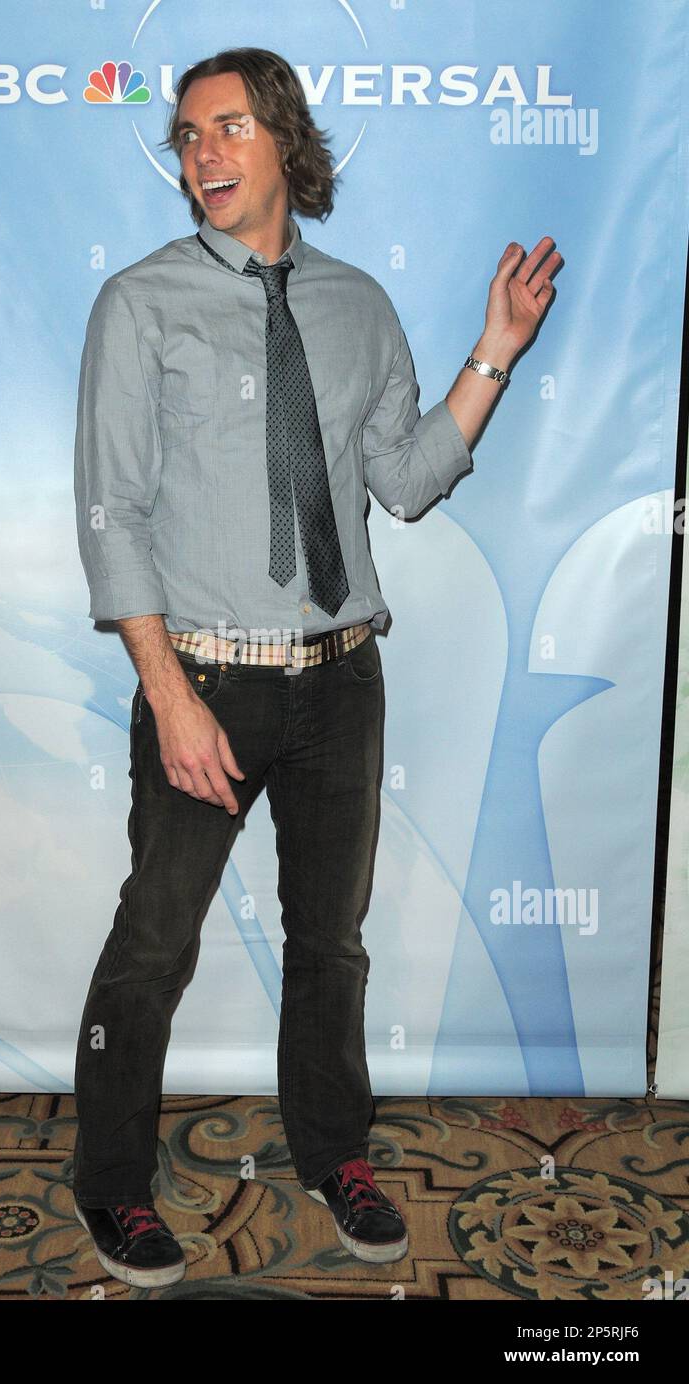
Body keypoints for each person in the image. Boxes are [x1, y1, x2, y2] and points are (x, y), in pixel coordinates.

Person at [71, 46, 561, 1289]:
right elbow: (109, 513)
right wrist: (169, 696)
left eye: (227, 129)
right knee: (152, 943)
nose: (203, 156)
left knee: (328, 941)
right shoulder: (141, 303)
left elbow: (401, 483)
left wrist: (494, 350)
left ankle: (332, 1149)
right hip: (205, 684)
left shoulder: (356, 307)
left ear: (284, 141)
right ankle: (111, 1180)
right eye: (186, 138)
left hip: (342, 679)